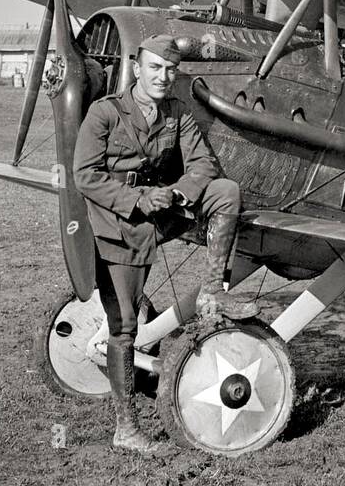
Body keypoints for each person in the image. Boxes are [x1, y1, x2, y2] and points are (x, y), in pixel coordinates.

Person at [73, 34, 257, 456]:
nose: (163, 76)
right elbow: (85, 175)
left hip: (164, 208)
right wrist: (137, 199)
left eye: (171, 69)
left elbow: (203, 166)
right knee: (123, 327)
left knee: (226, 191)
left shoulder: (178, 113)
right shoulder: (105, 113)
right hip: (118, 221)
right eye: (155, 68)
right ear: (137, 68)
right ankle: (126, 427)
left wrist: (174, 195)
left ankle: (213, 291)